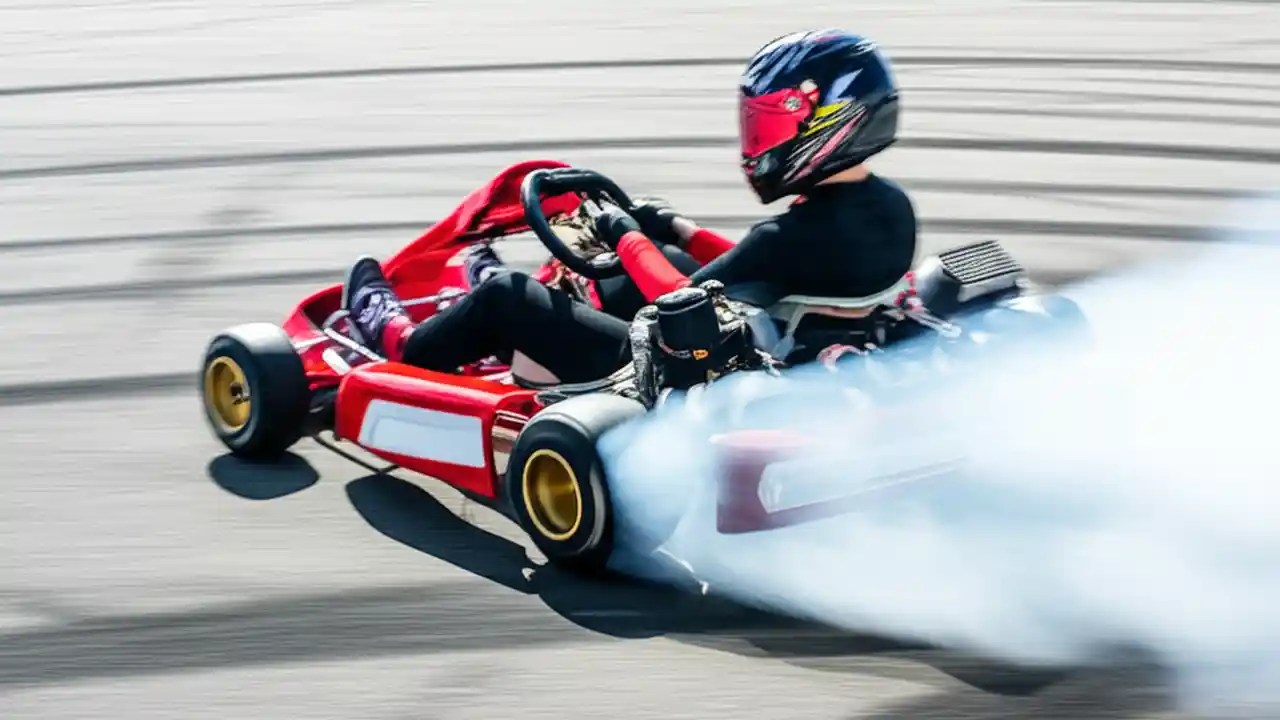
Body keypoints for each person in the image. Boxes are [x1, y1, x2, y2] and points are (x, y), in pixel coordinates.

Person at [341, 29, 917, 384]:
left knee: (506, 298)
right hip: (783, 341)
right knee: (643, 262)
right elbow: (755, 265)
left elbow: (679, 304)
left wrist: (622, 233)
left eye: (770, 124)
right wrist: (674, 229)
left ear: (828, 125)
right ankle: (519, 311)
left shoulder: (789, 236)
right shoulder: (890, 209)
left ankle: (399, 340)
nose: (759, 142)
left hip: (679, 370)